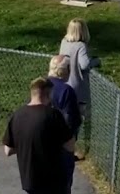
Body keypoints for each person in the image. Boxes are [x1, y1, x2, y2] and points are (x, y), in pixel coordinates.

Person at [3, 78, 75, 194]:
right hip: (53, 179)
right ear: (48, 94)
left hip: (29, 179)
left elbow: (8, 150)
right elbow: (70, 145)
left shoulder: (17, 115)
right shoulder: (54, 115)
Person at [46, 56, 82, 194]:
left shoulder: (41, 86)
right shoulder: (66, 91)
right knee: (63, 184)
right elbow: (72, 120)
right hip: (62, 146)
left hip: (42, 142)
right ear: (65, 71)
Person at [58, 20, 98, 117]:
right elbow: (84, 64)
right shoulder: (81, 46)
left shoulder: (64, 42)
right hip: (77, 87)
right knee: (77, 116)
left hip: (64, 82)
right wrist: (96, 61)